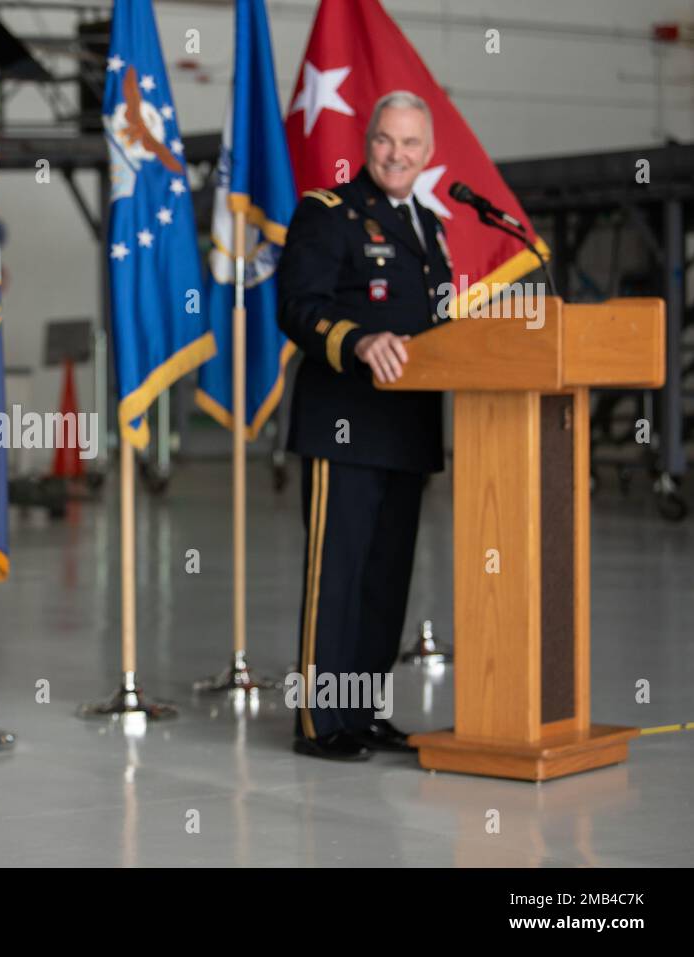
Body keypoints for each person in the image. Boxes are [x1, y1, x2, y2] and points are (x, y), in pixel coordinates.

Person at [277, 91, 452, 761]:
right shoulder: (329, 212)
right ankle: (322, 722)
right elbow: (297, 306)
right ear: (368, 142)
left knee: (385, 580)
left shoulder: (430, 225)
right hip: (344, 425)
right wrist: (358, 340)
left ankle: (362, 711)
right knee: (340, 576)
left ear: (427, 152)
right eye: (385, 139)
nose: (396, 154)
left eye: (410, 143)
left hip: (408, 428)